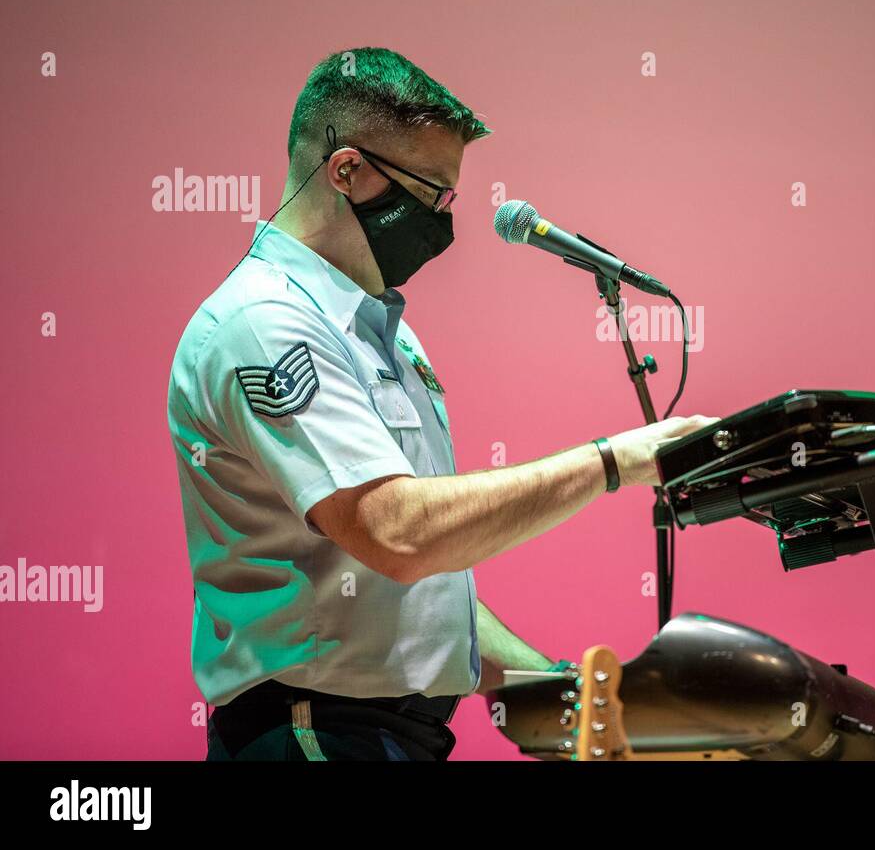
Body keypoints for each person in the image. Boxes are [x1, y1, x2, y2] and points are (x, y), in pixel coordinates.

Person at [167, 47, 714, 760]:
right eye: (431, 193)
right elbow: (397, 534)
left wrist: (557, 690)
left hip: (392, 736)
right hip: (314, 737)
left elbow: (416, 592)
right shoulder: (265, 325)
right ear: (347, 171)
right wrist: (615, 461)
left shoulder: (383, 336)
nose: (442, 220)